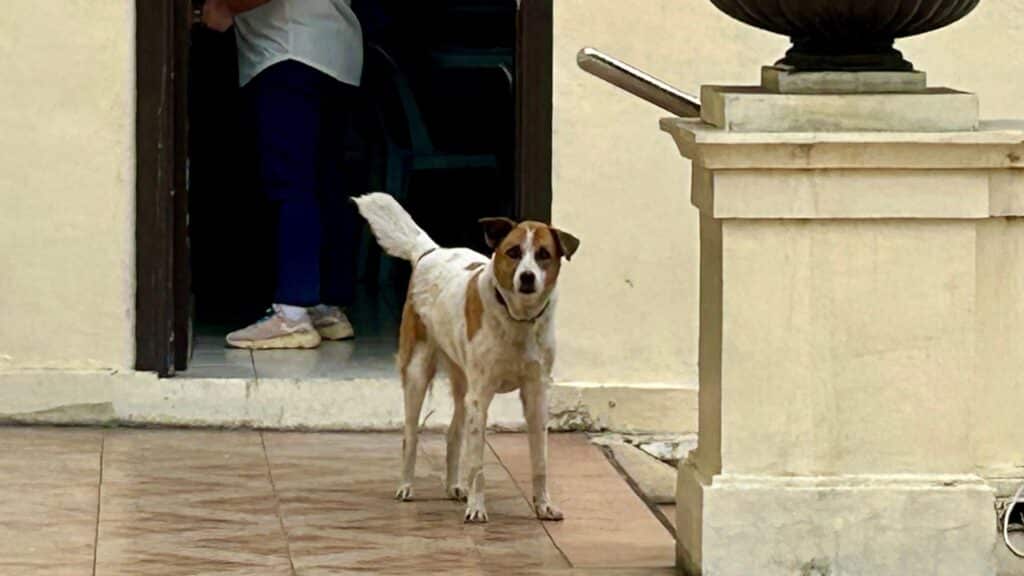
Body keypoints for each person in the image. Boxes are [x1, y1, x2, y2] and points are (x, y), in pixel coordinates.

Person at [202, 0, 364, 349]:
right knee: (327, 184)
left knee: (292, 185)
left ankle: (291, 312)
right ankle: (325, 305)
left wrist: (221, 6)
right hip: (336, 53)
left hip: (288, 55)